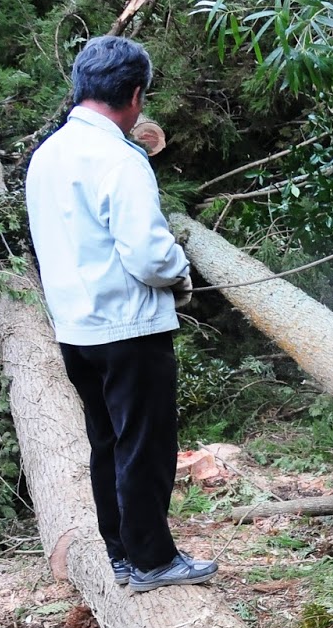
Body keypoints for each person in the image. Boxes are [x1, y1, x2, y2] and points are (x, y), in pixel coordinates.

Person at [25, 36, 218, 594]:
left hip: (76, 327)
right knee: (146, 445)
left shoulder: (47, 156)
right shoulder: (119, 158)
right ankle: (154, 560)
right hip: (129, 327)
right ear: (135, 96)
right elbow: (150, 255)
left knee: (107, 442)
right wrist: (180, 269)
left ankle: (122, 555)